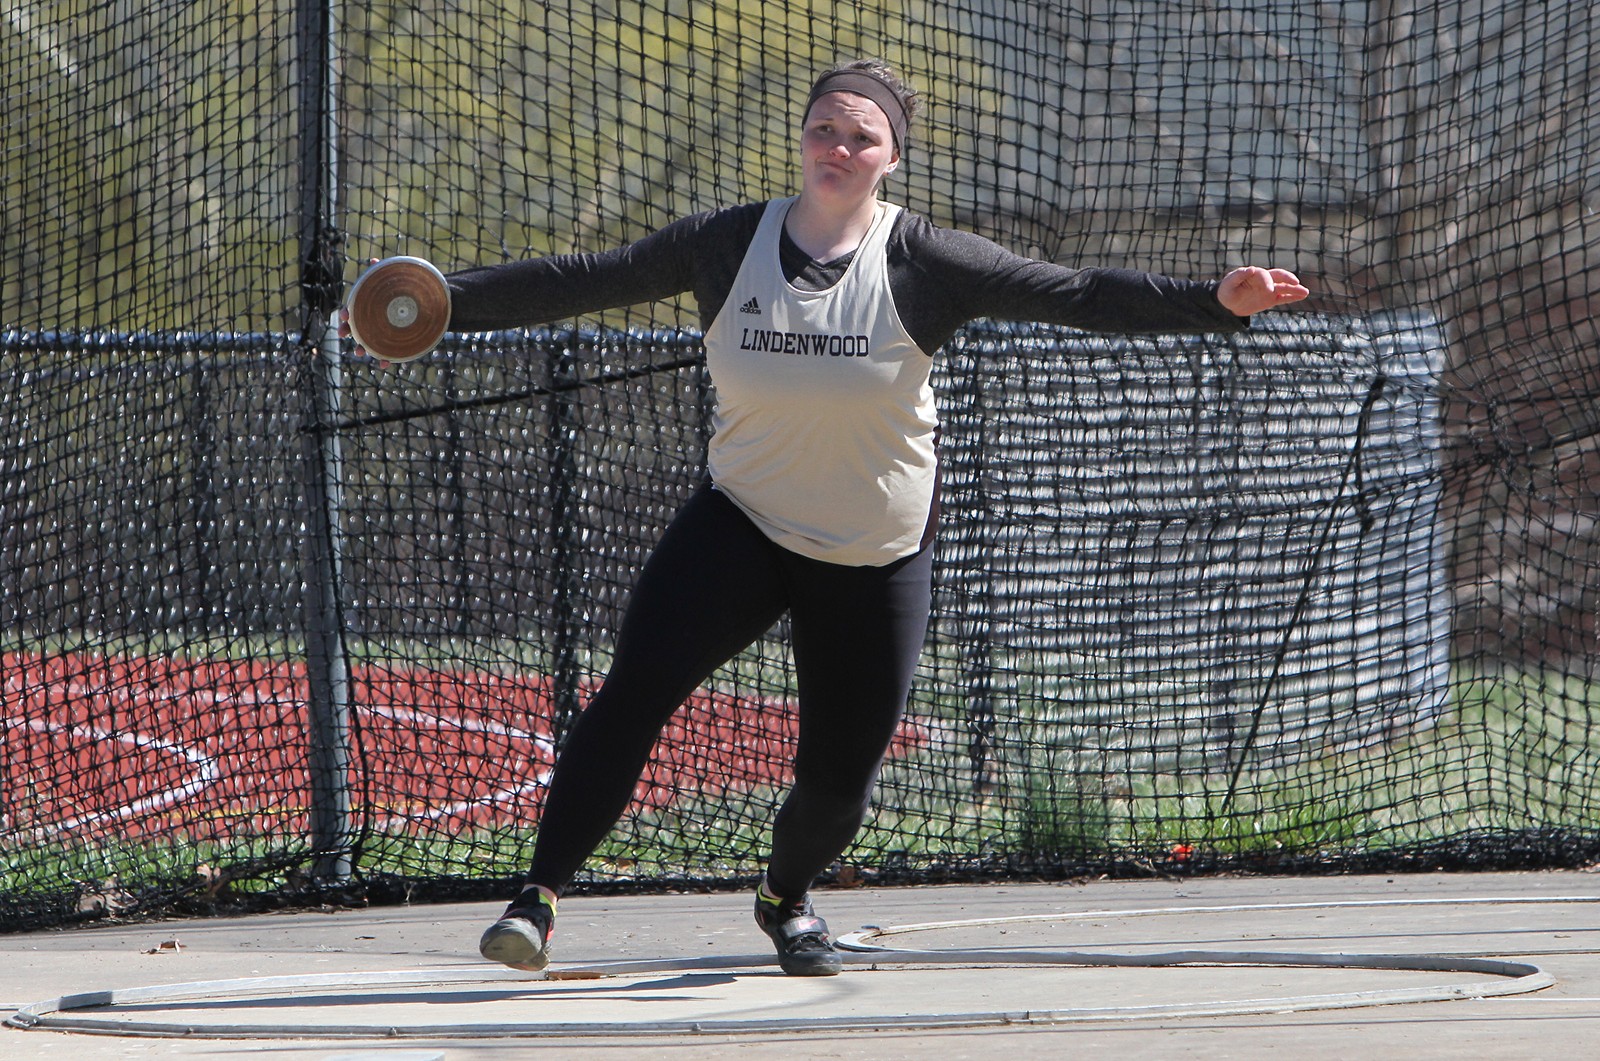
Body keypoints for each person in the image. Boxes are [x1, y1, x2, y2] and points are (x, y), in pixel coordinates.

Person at [344, 58, 1309, 977]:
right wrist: (435, 304)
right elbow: (581, 280)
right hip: (745, 523)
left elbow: (1077, 293)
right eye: (823, 130)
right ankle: (536, 899)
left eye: (862, 135)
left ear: (892, 156)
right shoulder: (728, 242)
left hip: (874, 550)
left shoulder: (926, 258)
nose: (838, 148)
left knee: (838, 779)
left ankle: (786, 896)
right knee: (634, 692)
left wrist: (1212, 302)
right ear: (801, 142)